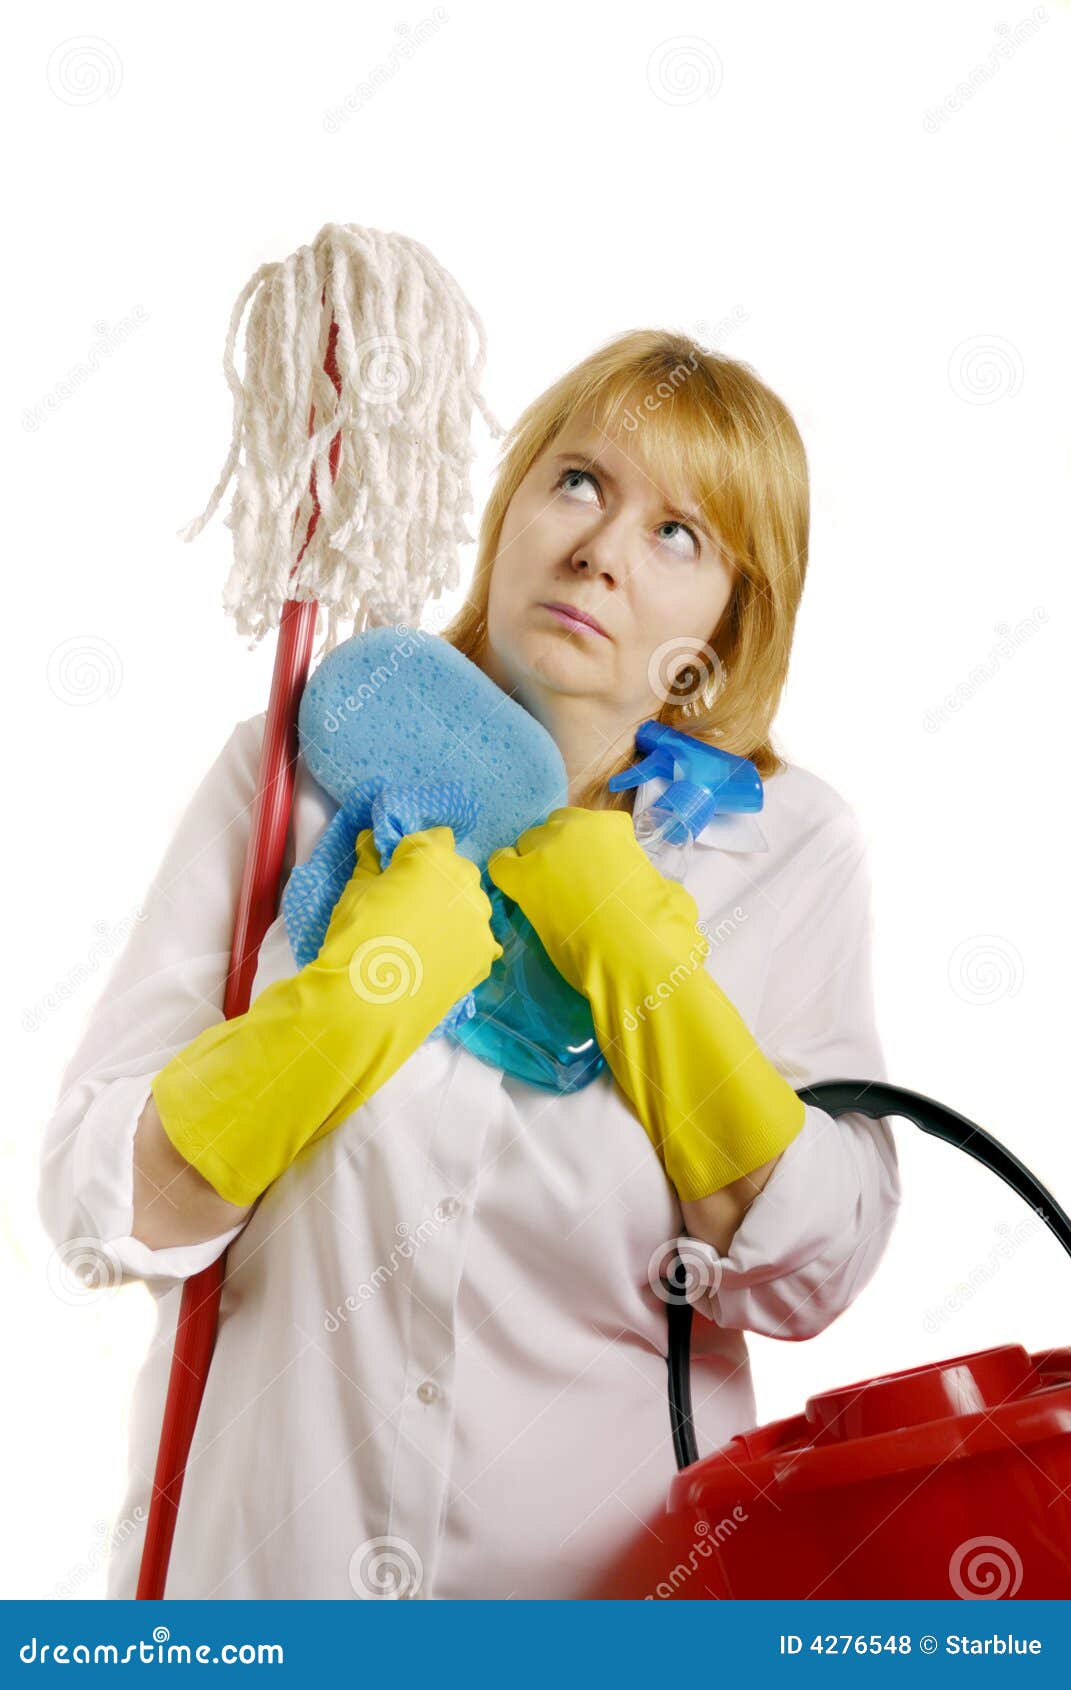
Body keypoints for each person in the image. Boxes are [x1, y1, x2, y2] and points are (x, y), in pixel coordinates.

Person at [37, 329, 900, 1600]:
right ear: (509, 508)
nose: (601, 550)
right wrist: (346, 1008)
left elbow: (814, 1268)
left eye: (678, 533)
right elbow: (100, 1204)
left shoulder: (781, 850)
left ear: (732, 616)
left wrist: (647, 972)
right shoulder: (290, 785)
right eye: (579, 481)